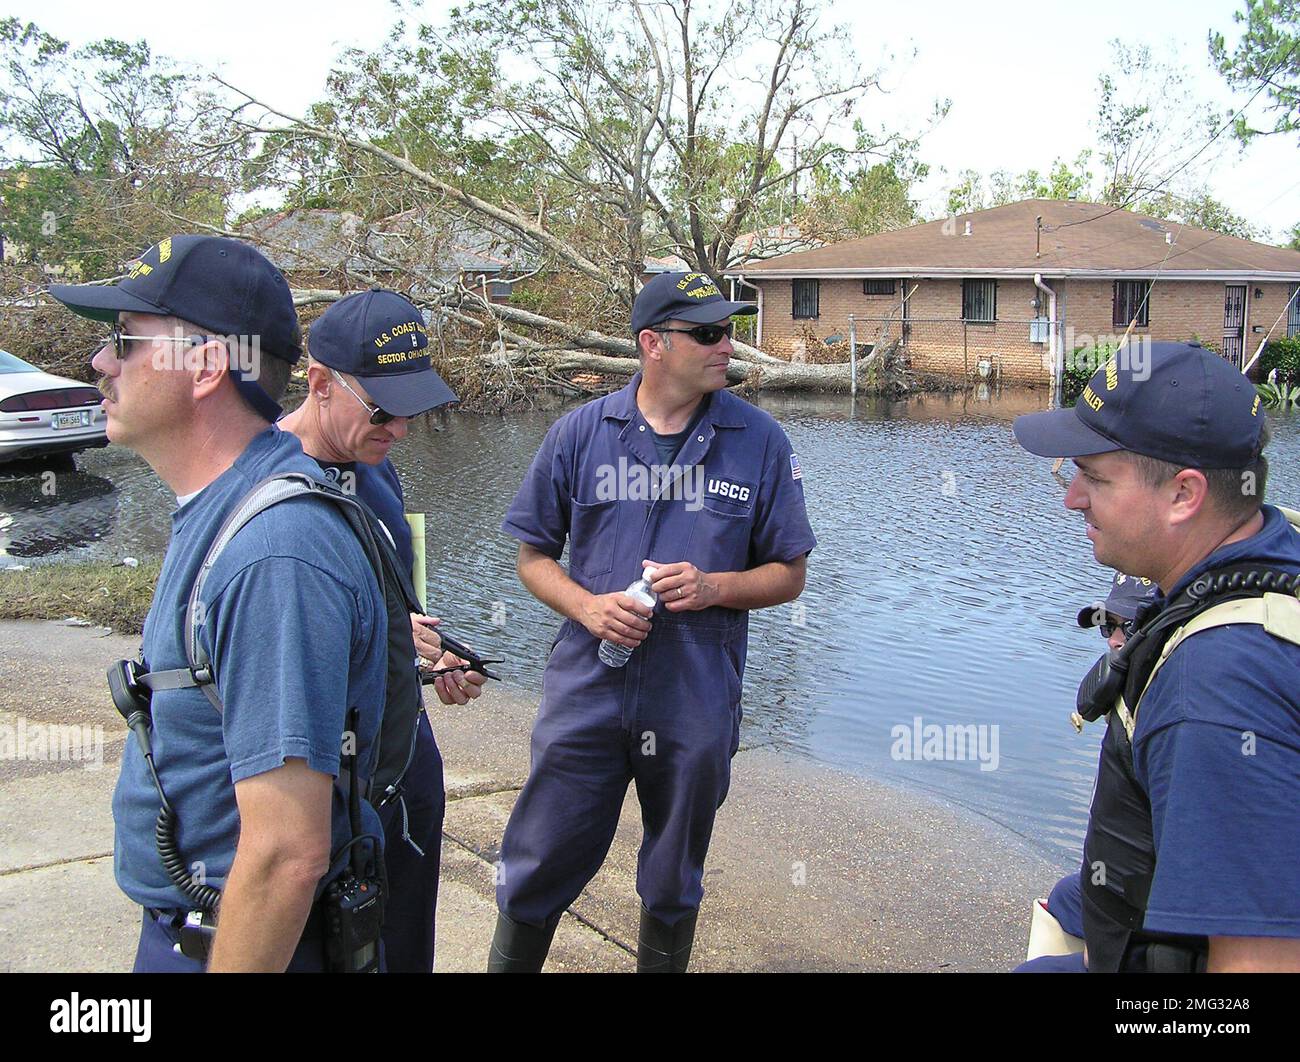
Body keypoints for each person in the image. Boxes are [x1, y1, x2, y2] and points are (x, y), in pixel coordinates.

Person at [50, 235, 389, 971]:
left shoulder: (276, 551)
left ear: (205, 366)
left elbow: (285, 857)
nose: (102, 363)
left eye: (125, 341)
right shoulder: (222, 506)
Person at [487, 271, 816, 973]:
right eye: (707, 333)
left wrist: (715, 585)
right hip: (588, 687)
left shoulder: (759, 441)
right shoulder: (580, 432)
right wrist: (587, 606)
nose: (728, 345)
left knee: (672, 881)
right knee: (538, 859)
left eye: (729, 330)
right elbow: (532, 556)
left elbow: (790, 574)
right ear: (652, 345)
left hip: (694, 692)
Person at [1013, 339, 1300, 973]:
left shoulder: (1217, 687)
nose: (1071, 500)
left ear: (1184, 495)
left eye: (1092, 476)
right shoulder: (1276, 542)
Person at [278, 287, 487, 972]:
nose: (399, 428)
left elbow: (396, 600)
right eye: (384, 410)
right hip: (322, 782)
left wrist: (429, 653)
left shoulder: (374, 464)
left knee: (403, 948)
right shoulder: (267, 486)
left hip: (404, 763)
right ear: (319, 383)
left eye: (413, 410)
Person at [1032, 571, 1157, 957]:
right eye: (1109, 627)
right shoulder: (1134, 697)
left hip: (1160, 906)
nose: (1116, 639)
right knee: (1068, 895)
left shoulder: (1166, 706)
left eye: (1129, 626)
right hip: (1127, 882)